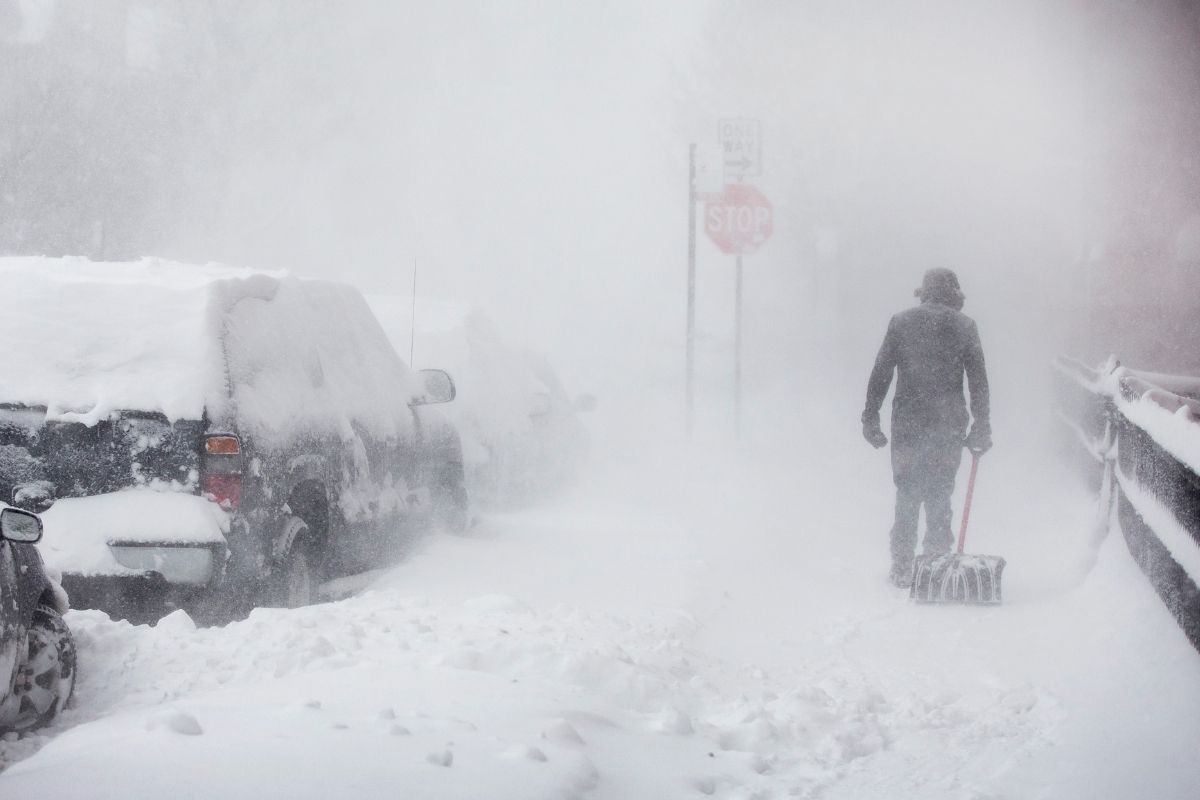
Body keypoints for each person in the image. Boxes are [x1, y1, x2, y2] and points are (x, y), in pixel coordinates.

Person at [861, 268, 991, 588]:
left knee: (907, 491)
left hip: (908, 423)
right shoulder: (965, 326)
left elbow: (881, 373)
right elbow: (978, 381)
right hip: (948, 425)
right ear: (954, 294)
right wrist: (981, 424)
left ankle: (902, 565)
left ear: (924, 292)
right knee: (939, 492)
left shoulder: (901, 322)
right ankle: (935, 562)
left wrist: (871, 416)